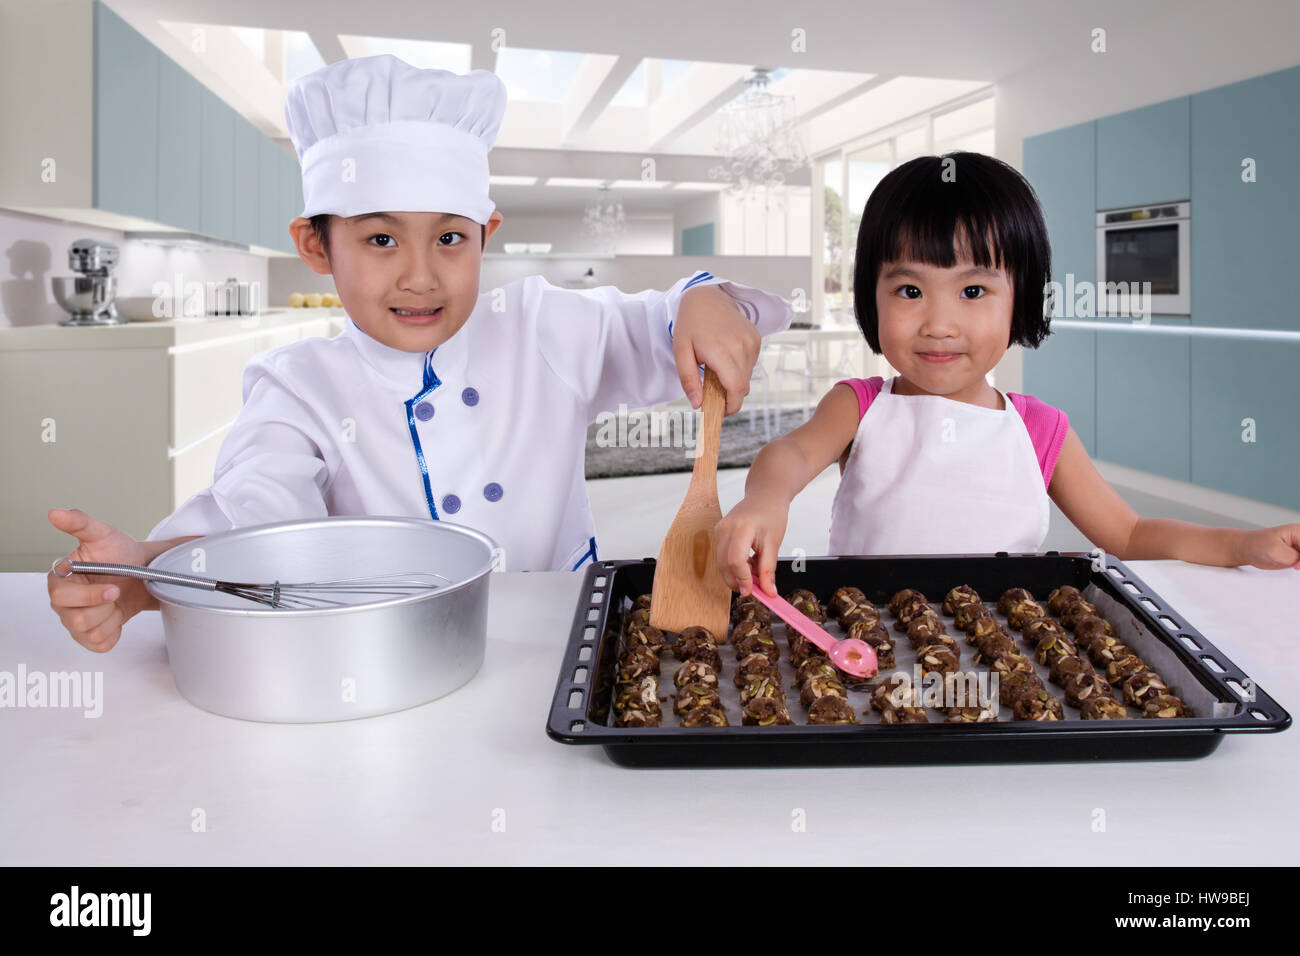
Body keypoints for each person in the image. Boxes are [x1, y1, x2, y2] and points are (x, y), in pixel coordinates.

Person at [49, 55, 794, 652]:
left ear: (485, 235)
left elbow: (663, 325)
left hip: (562, 646)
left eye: (449, 238)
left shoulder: (539, 326)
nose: (419, 275)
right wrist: (147, 573)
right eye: (380, 239)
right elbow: (257, 525)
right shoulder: (297, 388)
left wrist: (701, 297)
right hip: (389, 660)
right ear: (316, 245)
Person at [716, 152, 1300, 597]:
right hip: (867, 632)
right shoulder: (862, 406)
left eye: (973, 290)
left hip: (1004, 654)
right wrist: (765, 500)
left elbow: (1131, 534)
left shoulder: (1040, 429)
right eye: (910, 290)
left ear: (1021, 299)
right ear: (871, 298)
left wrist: (1242, 543)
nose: (939, 324)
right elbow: (787, 456)